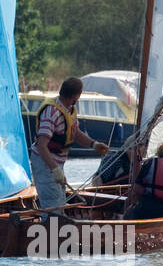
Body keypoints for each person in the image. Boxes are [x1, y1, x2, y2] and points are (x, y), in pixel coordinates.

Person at [30, 77, 110, 210]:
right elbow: (41, 145)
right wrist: (54, 170)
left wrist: (94, 145)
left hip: (56, 165)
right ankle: (50, 229)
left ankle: (55, 227)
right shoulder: (52, 113)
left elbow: (75, 133)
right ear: (75, 96)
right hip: (45, 165)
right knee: (53, 208)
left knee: (59, 205)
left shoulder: (68, 109)